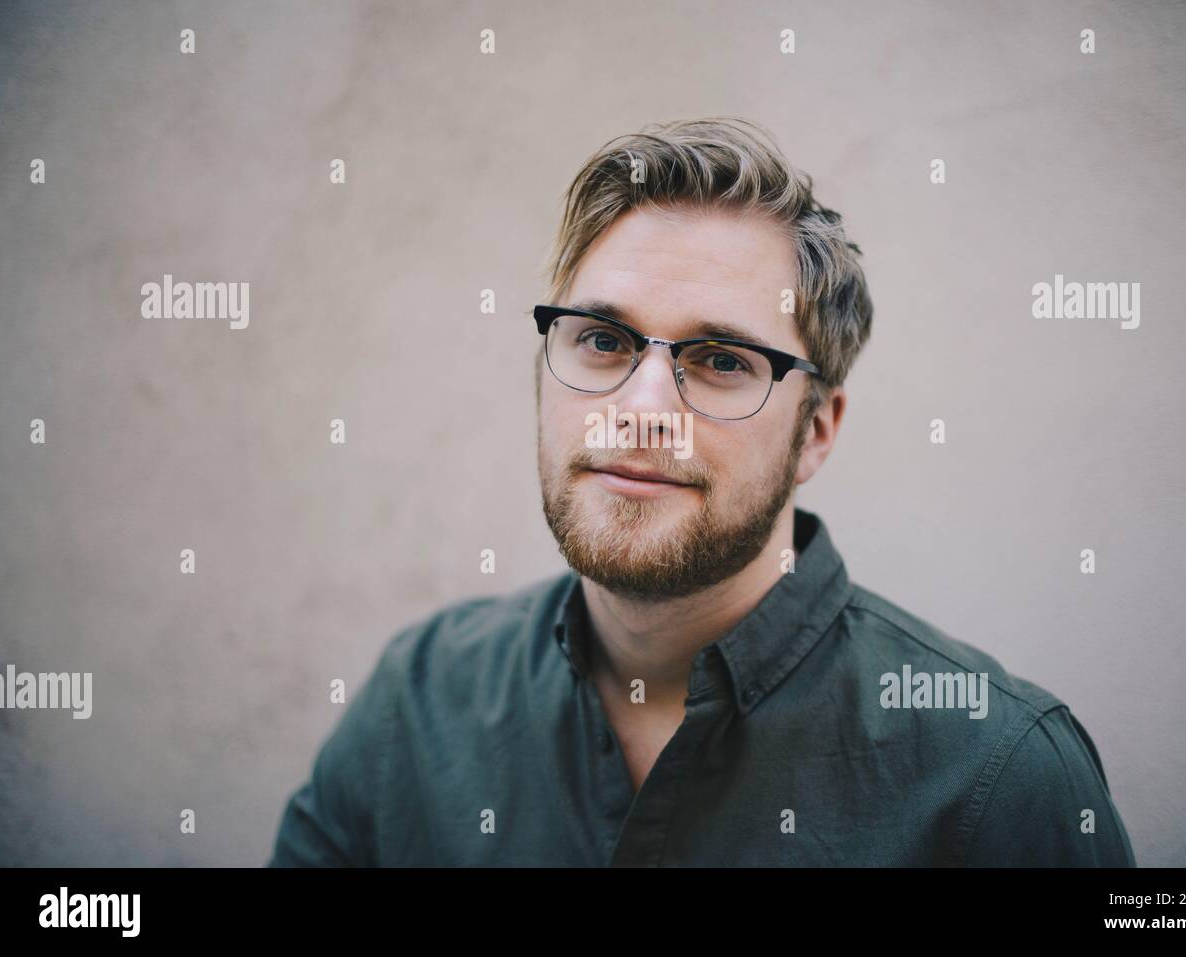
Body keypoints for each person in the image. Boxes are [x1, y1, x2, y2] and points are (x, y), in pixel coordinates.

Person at [268, 116, 1135, 867]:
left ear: (816, 430)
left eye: (720, 360)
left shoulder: (998, 775)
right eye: (603, 338)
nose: (642, 409)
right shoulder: (415, 706)